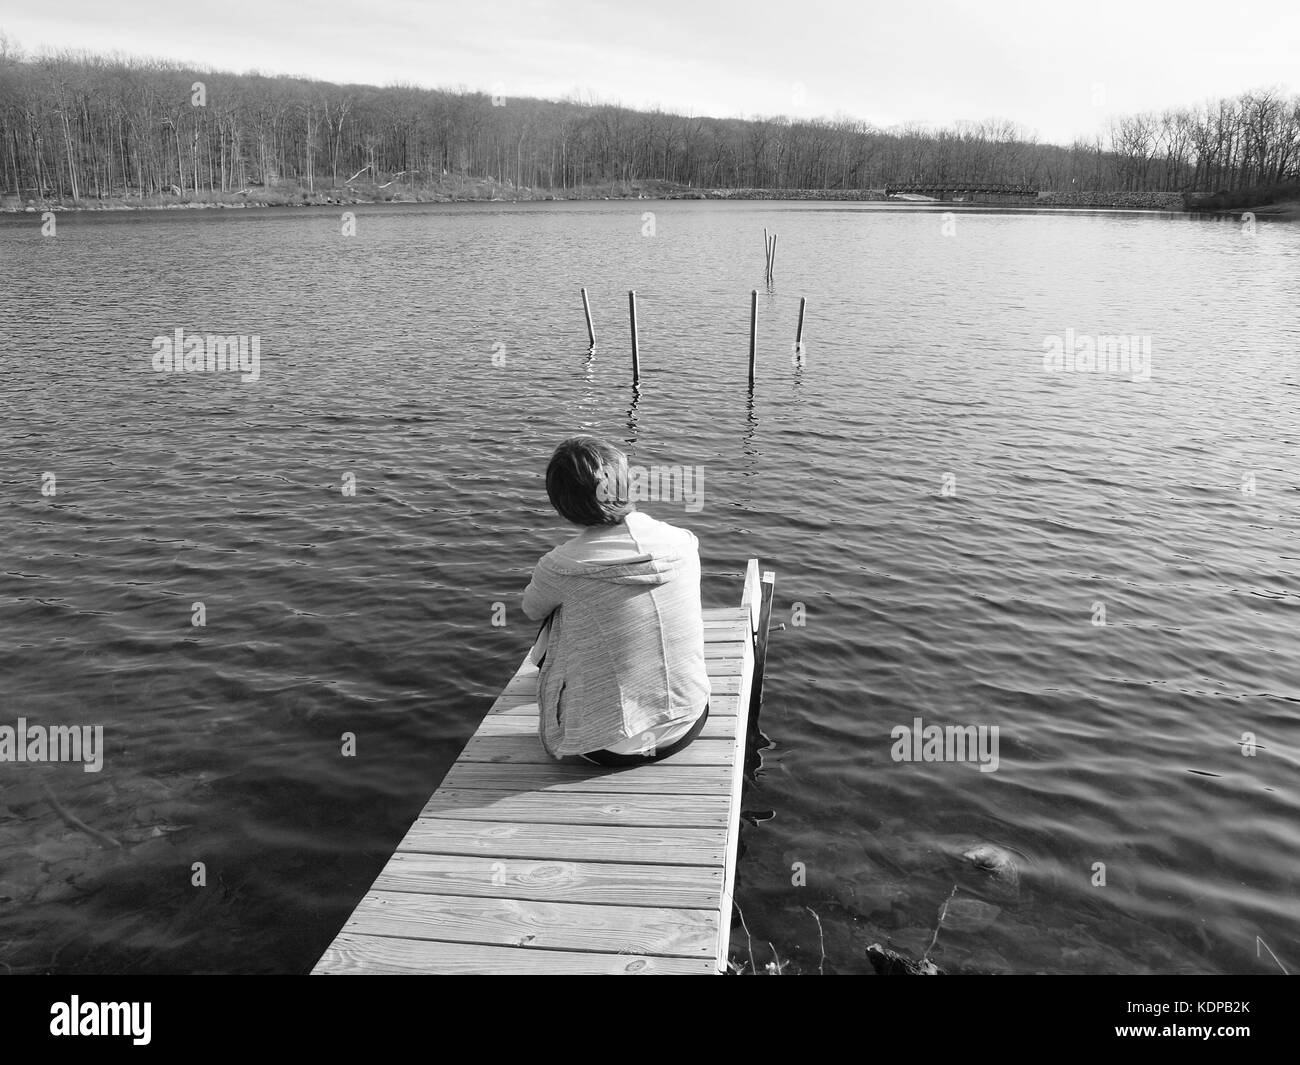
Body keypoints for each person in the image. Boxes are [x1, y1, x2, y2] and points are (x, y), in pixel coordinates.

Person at [522, 436, 710, 766]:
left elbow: (531, 609)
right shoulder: (682, 542)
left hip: (607, 747)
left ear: (560, 502)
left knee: (558, 612)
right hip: (689, 721)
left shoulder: (560, 566)